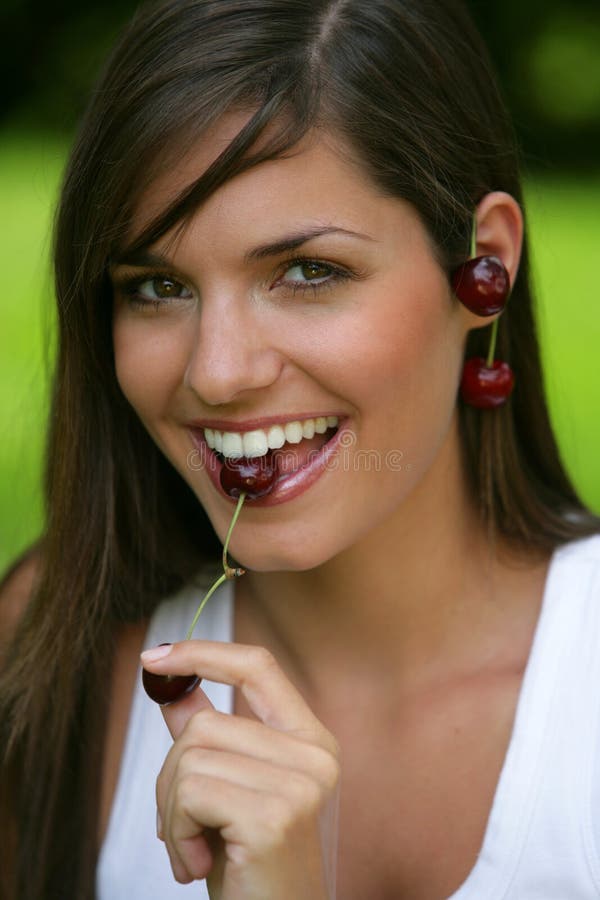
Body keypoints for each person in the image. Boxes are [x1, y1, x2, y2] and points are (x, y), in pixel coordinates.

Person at [1, 0, 600, 897]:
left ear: (486, 270)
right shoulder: (52, 648)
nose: (219, 372)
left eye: (308, 272)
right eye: (158, 286)